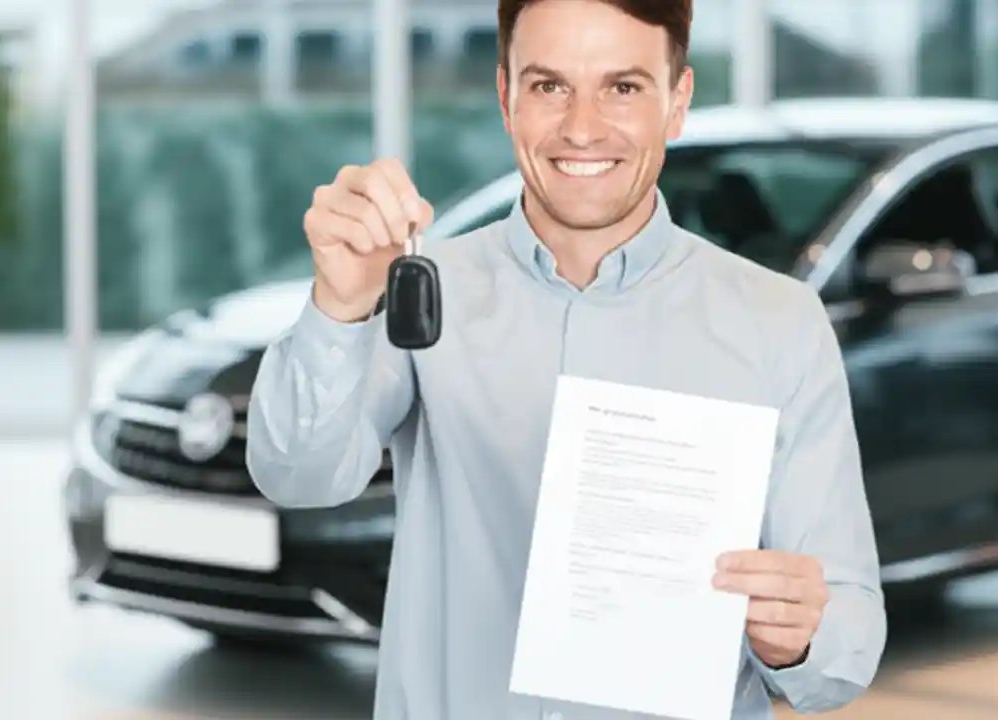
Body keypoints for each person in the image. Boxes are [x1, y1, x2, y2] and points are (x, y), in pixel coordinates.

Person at [246, 0, 886, 716]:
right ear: (506, 98)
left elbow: (847, 641)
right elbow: (296, 476)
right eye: (550, 86)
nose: (583, 128)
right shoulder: (424, 292)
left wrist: (799, 639)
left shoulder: (779, 323)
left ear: (677, 102)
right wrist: (339, 308)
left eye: (623, 87)